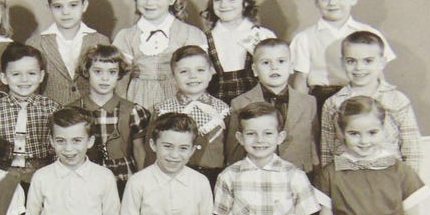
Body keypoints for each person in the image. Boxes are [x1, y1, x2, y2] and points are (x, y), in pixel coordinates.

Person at [25, 107, 119, 215]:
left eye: (77, 140)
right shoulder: (41, 177)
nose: (68, 149)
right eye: (60, 141)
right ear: (51, 141)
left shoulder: (104, 177)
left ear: (90, 141)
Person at [120, 112, 215, 215]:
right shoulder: (138, 181)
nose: (174, 155)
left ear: (193, 150)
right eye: (167, 146)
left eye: (183, 148)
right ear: (153, 144)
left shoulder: (200, 182)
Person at [289, 0, 396, 119]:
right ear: (316, 0)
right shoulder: (304, 38)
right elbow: (301, 81)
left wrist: (384, 101)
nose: (332, 3)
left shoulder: (370, 33)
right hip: (322, 99)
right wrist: (301, 116)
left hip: (363, 95)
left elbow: (379, 73)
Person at [320, 31, 422, 172]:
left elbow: (412, 150)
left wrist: (408, 185)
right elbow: (327, 150)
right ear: (342, 62)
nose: (359, 68)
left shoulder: (397, 100)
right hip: (348, 179)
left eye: (368, 61)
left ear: (382, 62)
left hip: (390, 176)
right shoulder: (332, 104)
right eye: (351, 61)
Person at [112, 0, 207, 111]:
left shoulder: (191, 34)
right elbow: (119, 79)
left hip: (179, 100)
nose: (150, 3)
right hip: (137, 99)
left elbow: (199, 76)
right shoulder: (126, 36)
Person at [225, 38, 317, 175]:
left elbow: (313, 145)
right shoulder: (240, 103)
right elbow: (234, 150)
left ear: (292, 66)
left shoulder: (308, 102)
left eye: (281, 61)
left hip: (299, 174)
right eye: (266, 62)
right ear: (255, 70)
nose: (274, 67)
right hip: (255, 175)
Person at [69, 44, 150, 189]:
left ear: (119, 74)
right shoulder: (73, 110)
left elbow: (139, 152)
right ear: (87, 71)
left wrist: (144, 186)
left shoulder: (133, 111)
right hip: (84, 178)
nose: (105, 78)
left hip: (124, 180)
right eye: (98, 71)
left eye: (112, 72)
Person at [151, 45, 230, 187]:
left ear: (211, 72)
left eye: (200, 70)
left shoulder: (223, 110)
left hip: (214, 180)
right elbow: (151, 154)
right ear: (173, 76)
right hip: (170, 178)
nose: (192, 76)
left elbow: (230, 152)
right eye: (184, 71)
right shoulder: (162, 110)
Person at [25, 0, 110, 105]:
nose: (65, 12)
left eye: (73, 5)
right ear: (49, 8)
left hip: (91, 116)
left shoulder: (101, 41)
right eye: (58, 6)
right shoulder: (35, 43)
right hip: (50, 116)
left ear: (84, 5)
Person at [0, 43, 59, 184]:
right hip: (4, 174)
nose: (24, 80)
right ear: (4, 77)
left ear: (41, 76)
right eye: (16, 74)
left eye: (31, 73)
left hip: (43, 173)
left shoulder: (52, 109)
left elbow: (57, 148)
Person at [201, 0, 277, 104]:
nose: (224, 5)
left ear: (246, 2)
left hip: (256, 102)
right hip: (217, 103)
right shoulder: (204, 39)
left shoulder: (263, 35)